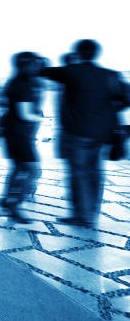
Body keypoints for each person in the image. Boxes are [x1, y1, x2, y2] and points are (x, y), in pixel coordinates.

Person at [40, 40, 130, 227]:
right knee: (95, 172)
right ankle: (91, 214)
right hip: (101, 134)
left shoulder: (72, 71)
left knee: (79, 174)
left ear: (78, 53)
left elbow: (44, 71)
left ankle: (82, 216)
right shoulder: (110, 75)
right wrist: (105, 111)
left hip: (78, 133)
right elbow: (126, 99)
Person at [0, 52, 44, 223]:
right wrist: (40, 116)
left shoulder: (15, 82)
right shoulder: (22, 85)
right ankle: (15, 204)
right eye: (35, 64)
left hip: (13, 133)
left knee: (18, 168)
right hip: (19, 135)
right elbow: (24, 114)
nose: (38, 67)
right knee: (33, 170)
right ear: (26, 65)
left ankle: (7, 200)